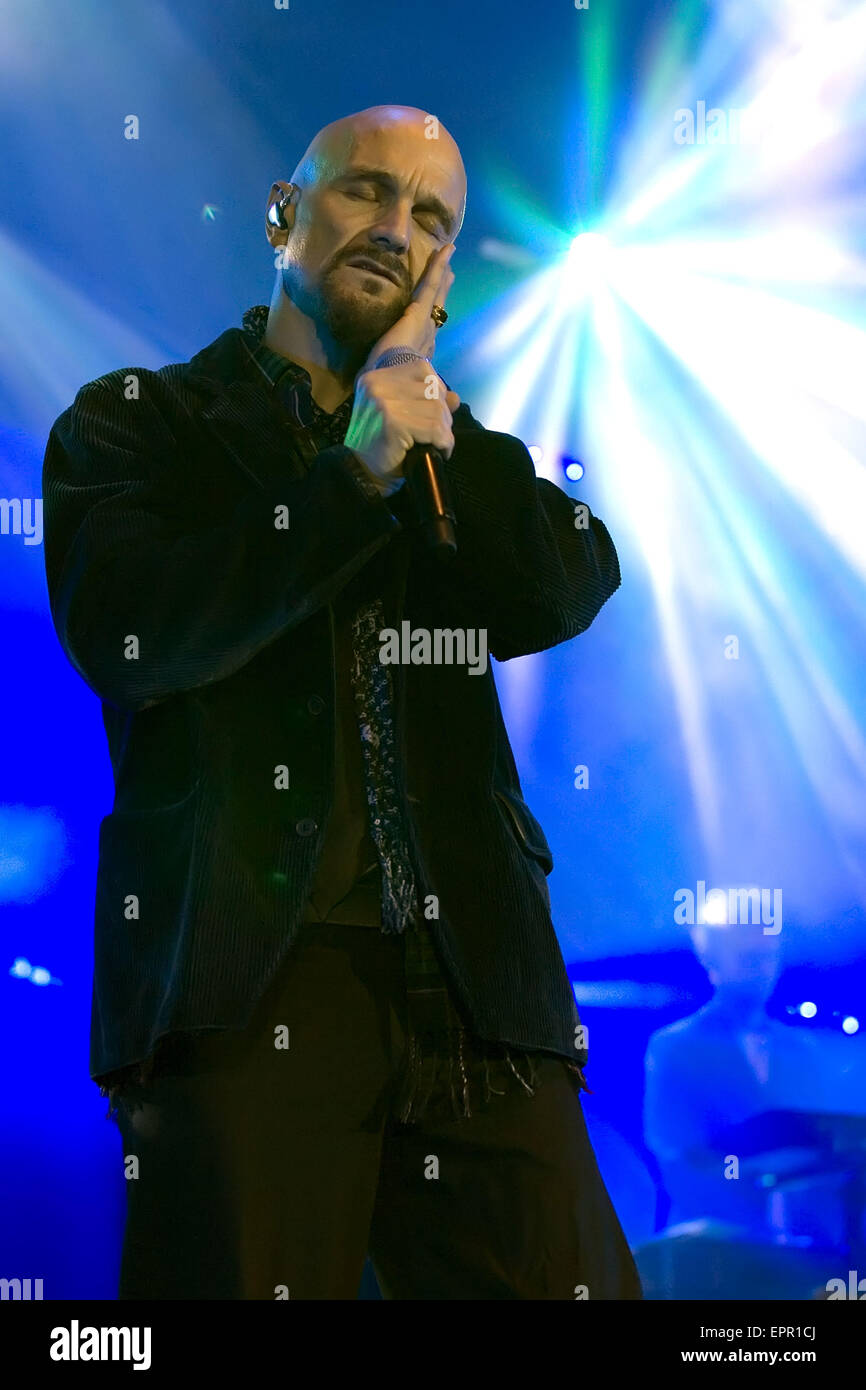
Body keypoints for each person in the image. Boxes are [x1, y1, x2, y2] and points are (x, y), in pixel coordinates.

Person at [42, 104, 641, 1300]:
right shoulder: (140, 424)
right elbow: (131, 632)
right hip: (245, 980)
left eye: (430, 219)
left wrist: (428, 425)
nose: (395, 229)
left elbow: (568, 579)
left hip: (475, 984)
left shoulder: (447, 448)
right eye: (368, 192)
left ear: (448, 272)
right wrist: (347, 479)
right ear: (283, 214)